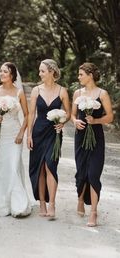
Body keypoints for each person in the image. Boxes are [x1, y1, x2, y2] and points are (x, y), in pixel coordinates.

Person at [0, 62, 31, 217]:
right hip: (0, 135)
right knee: (1, 167)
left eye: (5, 71)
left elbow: (27, 115)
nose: (1, 74)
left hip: (14, 133)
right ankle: (1, 203)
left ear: (12, 75)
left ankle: (18, 205)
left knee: (14, 165)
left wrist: (21, 133)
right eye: (0, 71)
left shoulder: (19, 92)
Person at [71, 62, 113, 227]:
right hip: (80, 137)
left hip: (96, 137)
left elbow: (110, 117)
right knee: (82, 172)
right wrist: (75, 122)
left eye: (81, 74)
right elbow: (73, 115)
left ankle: (93, 212)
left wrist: (95, 120)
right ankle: (81, 199)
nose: (79, 77)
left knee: (94, 174)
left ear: (90, 75)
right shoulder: (77, 93)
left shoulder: (102, 94)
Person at [27, 59, 70, 219]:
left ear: (52, 71)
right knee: (39, 167)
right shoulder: (36, 90)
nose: (40, 74)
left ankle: (52, 204)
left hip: (54, 133)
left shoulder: (62, 91)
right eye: (39, 71)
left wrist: (63, 122)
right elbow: (31, 114)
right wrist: (29, 135)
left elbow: (68, 113)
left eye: (42, 71)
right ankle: (42, 203)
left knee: (50, 165)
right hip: (38, 132)